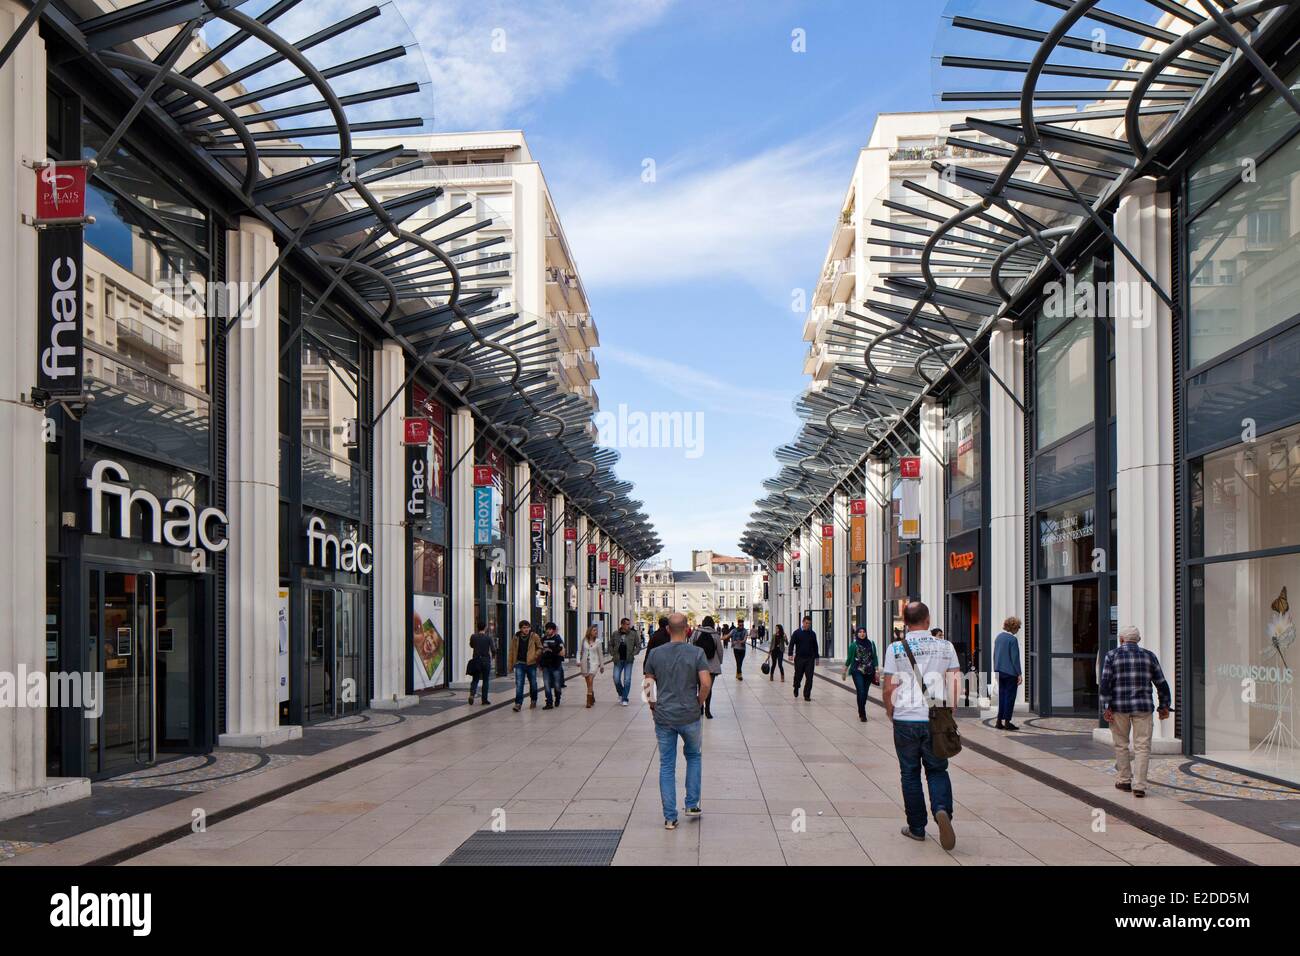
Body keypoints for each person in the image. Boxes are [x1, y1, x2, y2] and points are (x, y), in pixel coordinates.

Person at [882, 601, 959, 850]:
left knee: (909, 773)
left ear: (905, 623)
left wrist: (891, 711)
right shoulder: (945, 646)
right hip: (935, 717)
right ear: (927, 620)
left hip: (905, 718)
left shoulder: (895, 648)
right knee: (937, 770)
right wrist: (950, 710)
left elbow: (889, 687)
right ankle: (941, 810)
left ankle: (917, 828)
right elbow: (955, 681)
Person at [643, 612, 711, 830]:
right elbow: (706, 683)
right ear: (688, 629)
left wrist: (654, 706)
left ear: (667, 630)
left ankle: (670, 817)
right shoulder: (697, 653)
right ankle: (691, 805)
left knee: (667, 765)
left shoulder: (655, 653)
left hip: (664, 717)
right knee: (693, 757)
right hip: (689, 715)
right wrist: (698, 702)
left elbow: (647, 686)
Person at [1100, 625, 1171, 798]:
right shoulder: (1149, 656)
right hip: (1143, 707)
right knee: (1142, 746)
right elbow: (1161, 683)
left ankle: (1124, 780)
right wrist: (1164, 706)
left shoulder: (1112, 656)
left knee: (1121, 744)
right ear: (1138, 640)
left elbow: (1105, 684)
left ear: (1121, 639)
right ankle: (1139, 785)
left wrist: (1106, 707)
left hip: (1119, 707)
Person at [992, 616, 1023, 730]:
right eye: (1018, 627)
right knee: (1010, 697)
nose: (1019, 629)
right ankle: (1007, 722)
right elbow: (1015, 658)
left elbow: (995, 655)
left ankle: (999, 721)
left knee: (1002, 696)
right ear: (1014, 627)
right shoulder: (1013, 640)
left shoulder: (999, 637)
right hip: (1010, 673)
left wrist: (995, 669)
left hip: (1000, 671)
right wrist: (1019, 674)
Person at [842, 627, 878, 722]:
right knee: (861, 690)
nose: (862, 634)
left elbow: (875, 657)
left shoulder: (871, 643)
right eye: (860, 632)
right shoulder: (853, 645)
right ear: (857, 634)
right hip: (857, 670)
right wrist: (844, 671)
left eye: (864, 632)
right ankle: (862, 713)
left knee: (865, 693)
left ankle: (861, 708)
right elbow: (850, 658)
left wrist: (877, 670)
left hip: (869, 671)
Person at [692, 616, 724, 718]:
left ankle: (700, 708)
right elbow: (720, 650)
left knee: (699, 686)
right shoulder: (715, 634)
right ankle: (708, 711)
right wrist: (719, 661)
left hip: (698, 665)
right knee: (708, 688)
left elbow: (690, 646)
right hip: (711, 666)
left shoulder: (696, 632)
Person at [508, 620, 541, 713]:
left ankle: (533, 700)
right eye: (524, 628)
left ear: (530, 627)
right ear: (521, 629)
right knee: (519, 684)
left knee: (533, 683)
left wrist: (534, 656)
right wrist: (510, 665)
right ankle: (518, 703)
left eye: (527, 627)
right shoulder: (516, 637)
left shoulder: (534, 636)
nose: (526, 629)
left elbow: (540, 647)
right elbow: (511, 651)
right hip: (519, 663)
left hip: (531, 664)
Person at [789, 615, 819, 702]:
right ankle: (796, 687)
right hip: (799, 658)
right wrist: (790, 653)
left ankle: (807, 695)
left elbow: (815, 646)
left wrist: (817, 657)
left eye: (809, 624)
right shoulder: (797, 633)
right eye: (806, 623)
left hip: (810, 659)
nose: (808, 625)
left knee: (809, 678)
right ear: (803, 622)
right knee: (798, 676)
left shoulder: (812, 634)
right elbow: (791, 643)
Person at [610, 618, 638, 706]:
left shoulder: (633, 634)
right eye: (626, 624)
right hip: (618, 659)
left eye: (629, 624)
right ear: (621, 625)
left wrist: (633, 653)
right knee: (616, 678)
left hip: (628, 660)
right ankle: (621, 694)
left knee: (627, 680)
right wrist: (612, 653)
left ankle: (625, 698)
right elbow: (610, 644)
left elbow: (638, 645)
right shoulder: (615, 634)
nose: (628, 626)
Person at [540, 622, 566, 710]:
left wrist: (551, 649)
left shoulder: (558, 639)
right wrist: (540, 664)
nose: (548, 631)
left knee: (557, 684)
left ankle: (558, 697)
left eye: (550, 629)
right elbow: (540, 651)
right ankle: (549, 702)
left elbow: (561, 651)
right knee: (546, 684)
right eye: (547, 629)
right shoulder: (543, 639)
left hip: (556, 665)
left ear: (553, 630)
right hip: (546, 665)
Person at [468, 620, 495, 705]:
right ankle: (484, 699)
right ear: (485, 628)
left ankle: (472, 694)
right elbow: (493, 649)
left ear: (477, 627)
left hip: (476, 660)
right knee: (486, 680)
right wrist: (493, 656)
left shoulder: (473, 636)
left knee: (475, 679)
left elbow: (471, 645)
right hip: (485, 660)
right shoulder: (488, 638)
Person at [579, 625, 604, 708]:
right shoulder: (584, 641)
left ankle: (588, 701)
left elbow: (600, 654)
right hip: (585, 663)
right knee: (588, 682)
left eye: (596, 630)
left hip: (594, 663)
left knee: (590, 680)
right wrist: (578, 661)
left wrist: (602, 665)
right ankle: (591, 695)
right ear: (590, 631)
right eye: (594, 630)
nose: (596, 632)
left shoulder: (598, 642)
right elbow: (579, 651)